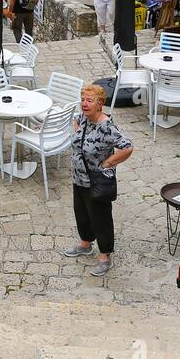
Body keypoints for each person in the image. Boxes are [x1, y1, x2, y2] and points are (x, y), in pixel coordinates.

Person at [62, 84, 133, 277]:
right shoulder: (82, 119)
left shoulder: (106, 127)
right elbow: (76, 124)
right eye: (83, 99)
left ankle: (104, 256)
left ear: (100, 104)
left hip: (97, 181)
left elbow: (127, 147)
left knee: (100, 218)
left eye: (89, 100)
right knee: (82, 213)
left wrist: (108, 163)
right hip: (79, 177)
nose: (84, 104)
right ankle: (85, 244)